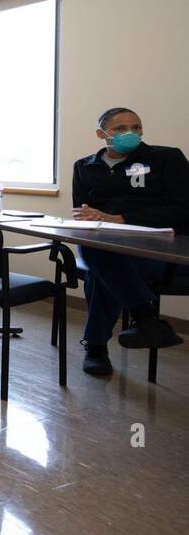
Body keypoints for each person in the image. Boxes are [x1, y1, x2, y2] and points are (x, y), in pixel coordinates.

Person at [73, 107, 188, 376]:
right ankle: (145, 317)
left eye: (136, 127)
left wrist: (121, 218)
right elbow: (83, 211)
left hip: (155, 247)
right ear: (101, 134)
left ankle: (96, 346)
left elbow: (184, 209)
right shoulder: (84, 166)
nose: (131, 133)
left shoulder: (166, 158)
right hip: (104, 243)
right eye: (121, 129)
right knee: (97, 248)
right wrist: (92, 219)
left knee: (101, 269)